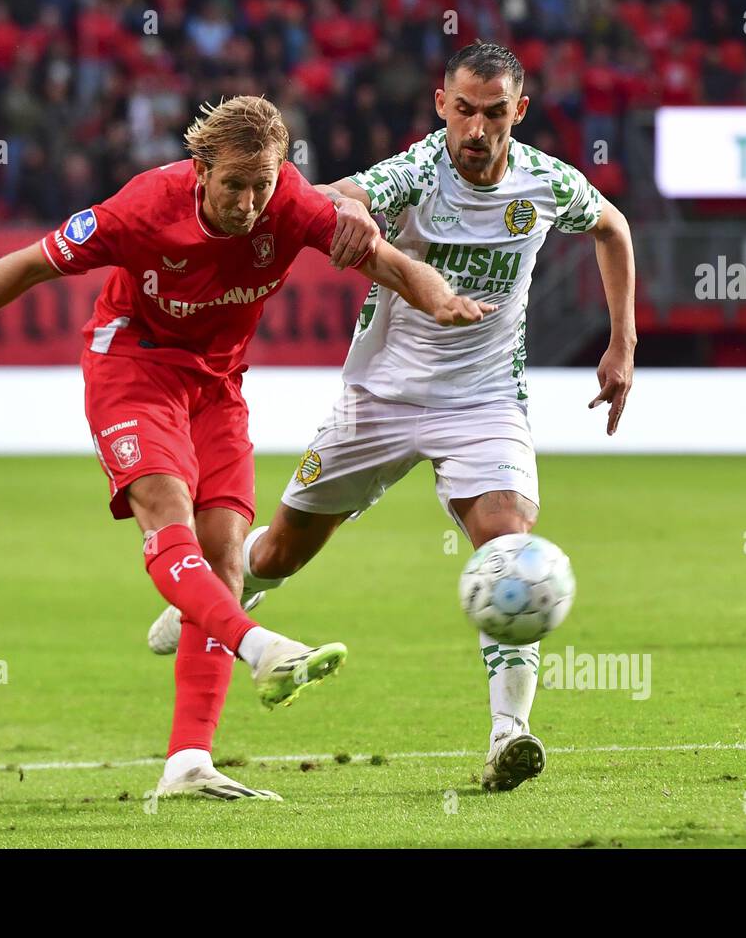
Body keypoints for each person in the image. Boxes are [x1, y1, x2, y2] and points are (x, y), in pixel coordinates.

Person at [0, 95, 491, 801]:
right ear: (200, 170)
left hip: (217, 386)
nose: (248, 201)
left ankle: (188, 762)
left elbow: (388, 264)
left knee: (227, 552)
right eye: (233, 184)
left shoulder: (291, 206)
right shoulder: (139, 211)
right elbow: (28, 265)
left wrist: (442, 298)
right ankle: (259, 646)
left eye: (261, 183)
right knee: (167, 507)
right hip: (132, 367)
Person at [148, 45, 637, 792]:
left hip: (484, 402)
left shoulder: (546, 183)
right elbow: (346, 190)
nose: (477, 128)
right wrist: (344, 207)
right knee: (278, 551)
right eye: (464, 109)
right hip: (376, 401)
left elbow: (614, 228)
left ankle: (511, 732)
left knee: (508, 544)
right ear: (442, 104)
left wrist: (622, 341)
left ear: (520, 113)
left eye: (494, 113)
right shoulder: (417, 171)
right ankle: (223, 597)